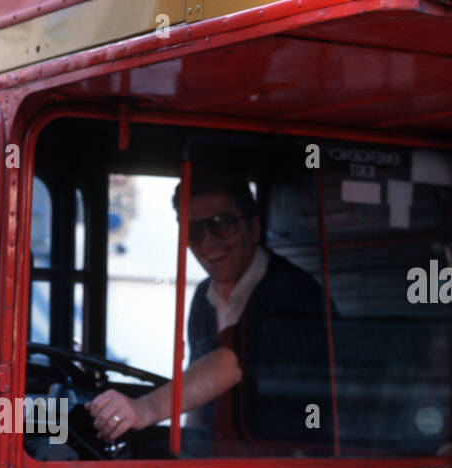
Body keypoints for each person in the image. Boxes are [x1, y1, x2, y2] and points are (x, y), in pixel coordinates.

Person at [88, 171, 334, 453]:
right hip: (223, 458)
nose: (208, 242)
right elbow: (199, 389)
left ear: (253, 228)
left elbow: (231, 362)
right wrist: (184, 456)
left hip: (291, 464)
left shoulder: (294, 291)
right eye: (193, 231)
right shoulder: (204, 298)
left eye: (221, 224)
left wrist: (143, 409)